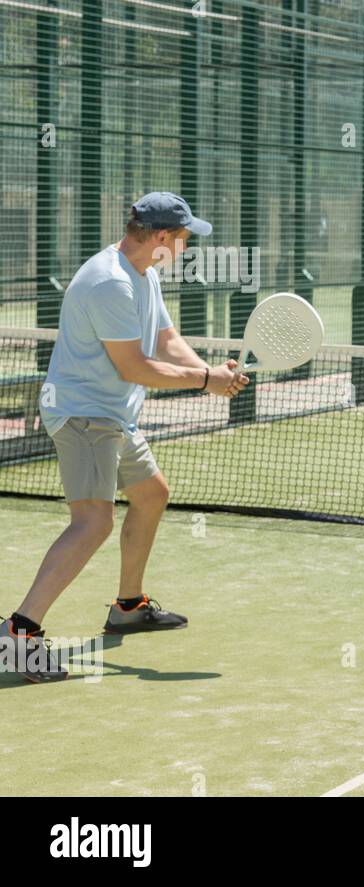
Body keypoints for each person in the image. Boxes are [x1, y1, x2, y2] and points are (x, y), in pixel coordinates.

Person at [1, 192, 249, 684]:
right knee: (93, 522)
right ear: (160, 239)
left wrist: (207, 370)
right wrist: (205, 383)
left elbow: (164, 341)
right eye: (181, 239)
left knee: (152, 495)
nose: (183, 247)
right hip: (83, 415)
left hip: (114, 415)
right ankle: (19, 635)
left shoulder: (143, 275)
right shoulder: (110, 283)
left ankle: (128, 607)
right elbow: (133, 366)